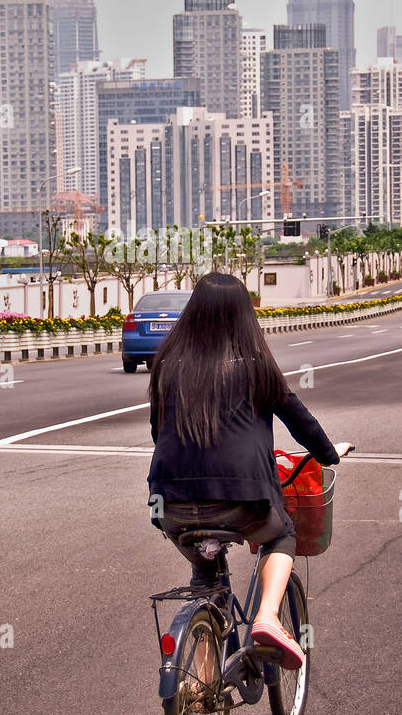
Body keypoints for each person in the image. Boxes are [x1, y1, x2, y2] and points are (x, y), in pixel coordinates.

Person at [147, 272, 353, 669]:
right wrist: (329, 454)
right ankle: (268, 618)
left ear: (193, 313)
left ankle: (199, 684)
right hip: (241, 501)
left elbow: (159, 435)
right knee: (282, 535)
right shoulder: (255, 364)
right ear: (243, 315)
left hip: (167, 506)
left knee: (205, 582)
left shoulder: (167, 364)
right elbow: (299, 420)